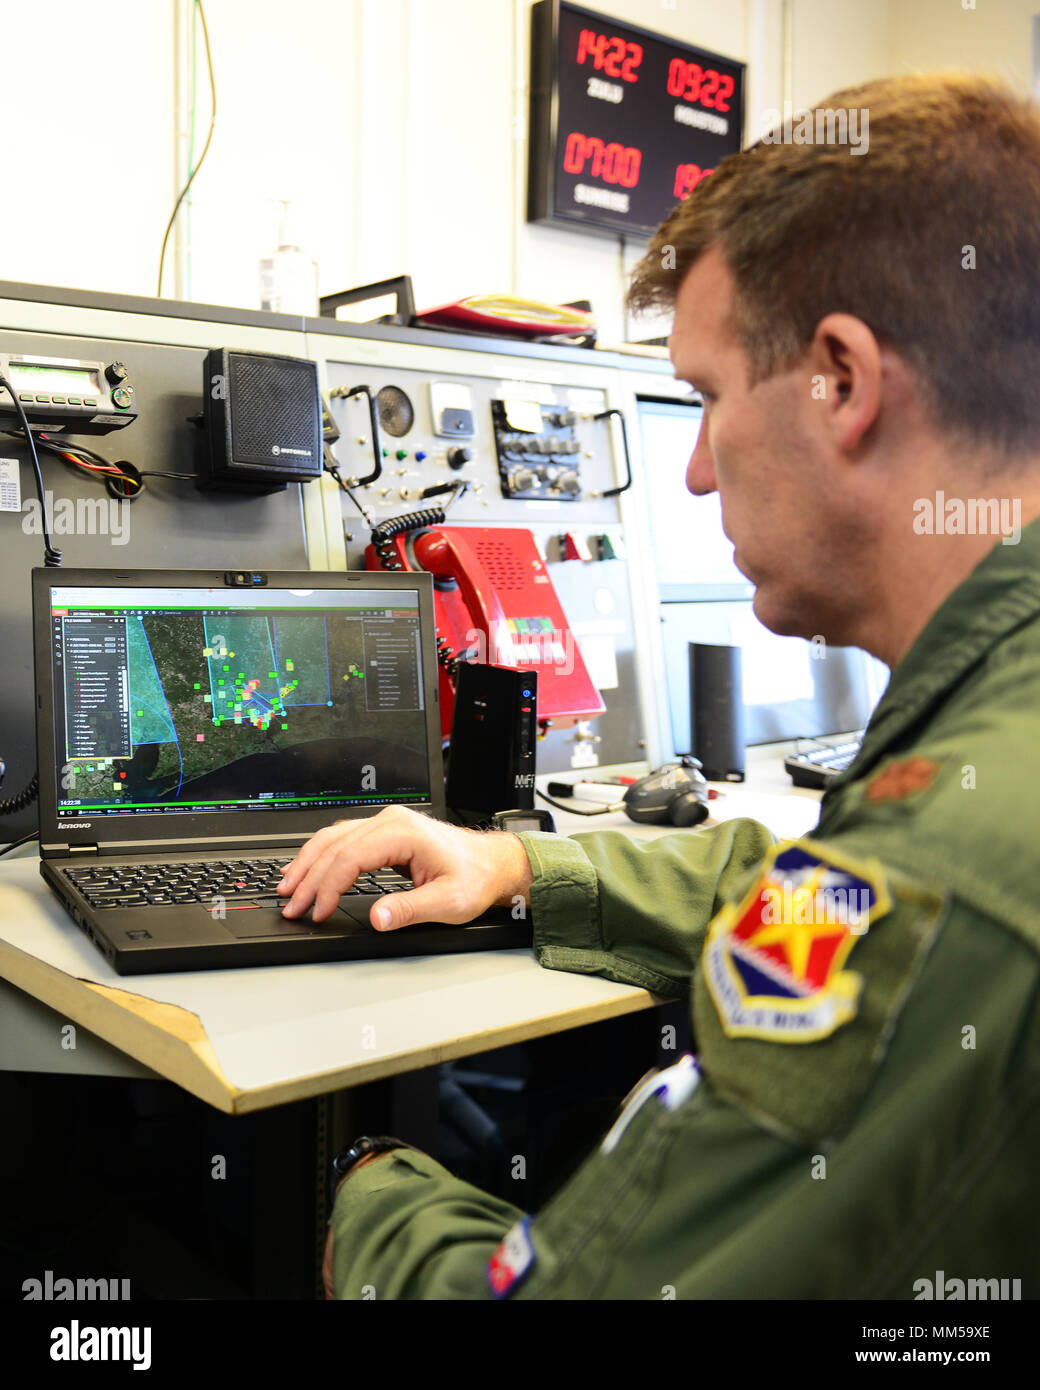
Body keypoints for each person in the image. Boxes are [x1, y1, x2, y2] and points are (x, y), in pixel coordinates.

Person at [278, 73, 1040, 1299]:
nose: (688, 473)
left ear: (839, 381)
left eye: (701, 399)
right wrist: (522, 864)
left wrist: (368, 1194)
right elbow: (813, 896)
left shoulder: (942, 865)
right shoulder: (967, 759)